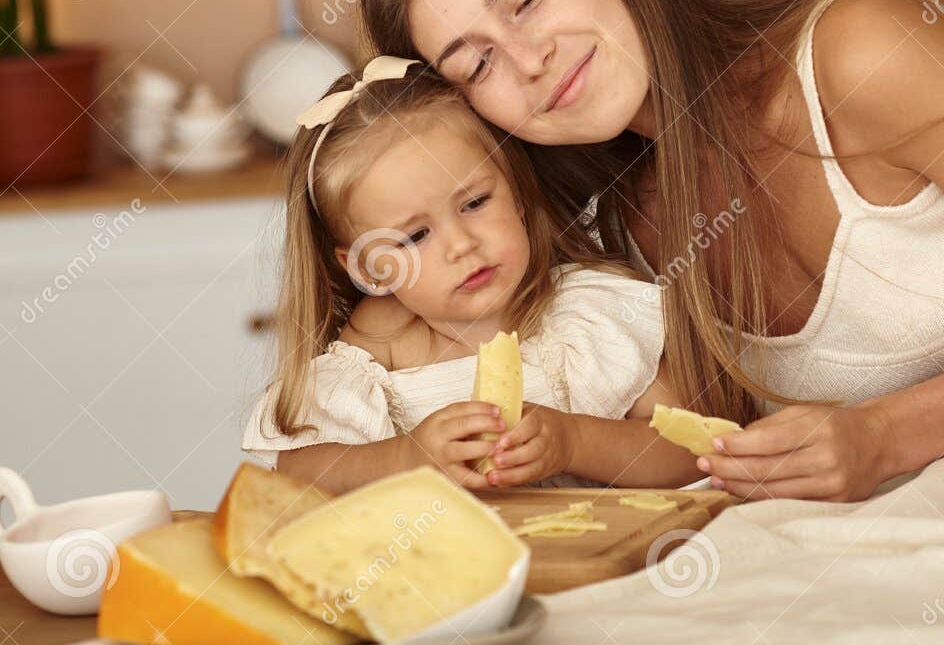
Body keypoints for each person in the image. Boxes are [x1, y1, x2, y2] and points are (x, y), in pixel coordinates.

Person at [352, 0, 944, 502]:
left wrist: (888, 435)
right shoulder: (611, 235)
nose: (529, 59)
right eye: (477, 64)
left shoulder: (860, 52)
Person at [242, 54, 693, 494]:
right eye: (416, 235)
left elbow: (686, 448)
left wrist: (574, 442)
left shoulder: (586, 314)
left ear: (516, 192)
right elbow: (297, 473)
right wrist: (405, 458)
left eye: (475, 203)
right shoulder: (378, 348)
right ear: (371, 269)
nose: (462, 245)